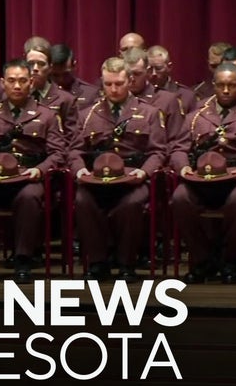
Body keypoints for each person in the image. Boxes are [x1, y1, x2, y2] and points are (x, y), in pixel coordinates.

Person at [170, 63, 236, 284]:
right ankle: (203, 260)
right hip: (201, 179)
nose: (226, 90)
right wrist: (183, 167)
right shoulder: (196, 115)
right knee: (180, 198)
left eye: (232, 85)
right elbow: (179, 148)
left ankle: (229, 260)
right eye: (221, 85)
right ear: (213, 85)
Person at [0, 59, 67, 282]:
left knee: (29, 198)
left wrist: (40, 170)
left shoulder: (46, 115)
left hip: (26, 178)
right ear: (2, 83)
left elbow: (58, 153)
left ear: (31, 82)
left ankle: (23, 260)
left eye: (22, 81)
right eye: (11, 81)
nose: (17, 86)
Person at [69, 57, 168, 282]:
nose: (114, 89)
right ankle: (97, 263)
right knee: (83, 201)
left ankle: (126, 263)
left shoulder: (150, 113)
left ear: (130, 80)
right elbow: (75, 151)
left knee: (131, 204)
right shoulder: (88, 115)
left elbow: (158, 152)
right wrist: (79, 171)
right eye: (108, 84)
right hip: (96, 178)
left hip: (131, 177)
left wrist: (143, 173)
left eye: (119, 83)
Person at [123, 47, 184, 139]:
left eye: (137, 74)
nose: (132, 79)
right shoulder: (116, 99)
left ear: (148, 71)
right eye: (128, 74)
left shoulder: (167, 100)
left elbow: (177, 142)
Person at [25, 45, 78, 137]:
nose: (35, 68)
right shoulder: (17, 95)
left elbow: (72, 138)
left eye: (41, 64)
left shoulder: (66, 99)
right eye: (30, 64)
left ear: (50, 68)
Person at [146, 44, 197, 113]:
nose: (154, 73)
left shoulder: (186, 96)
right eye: (150, 69)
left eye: (158, 68)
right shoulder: (139, 94)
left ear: (169, 67)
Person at [50, 42, 101, 107]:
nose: (61, 80)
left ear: (74, 65)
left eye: (66, 74)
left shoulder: (90, 93)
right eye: (55, 75)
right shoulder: (40, 93)